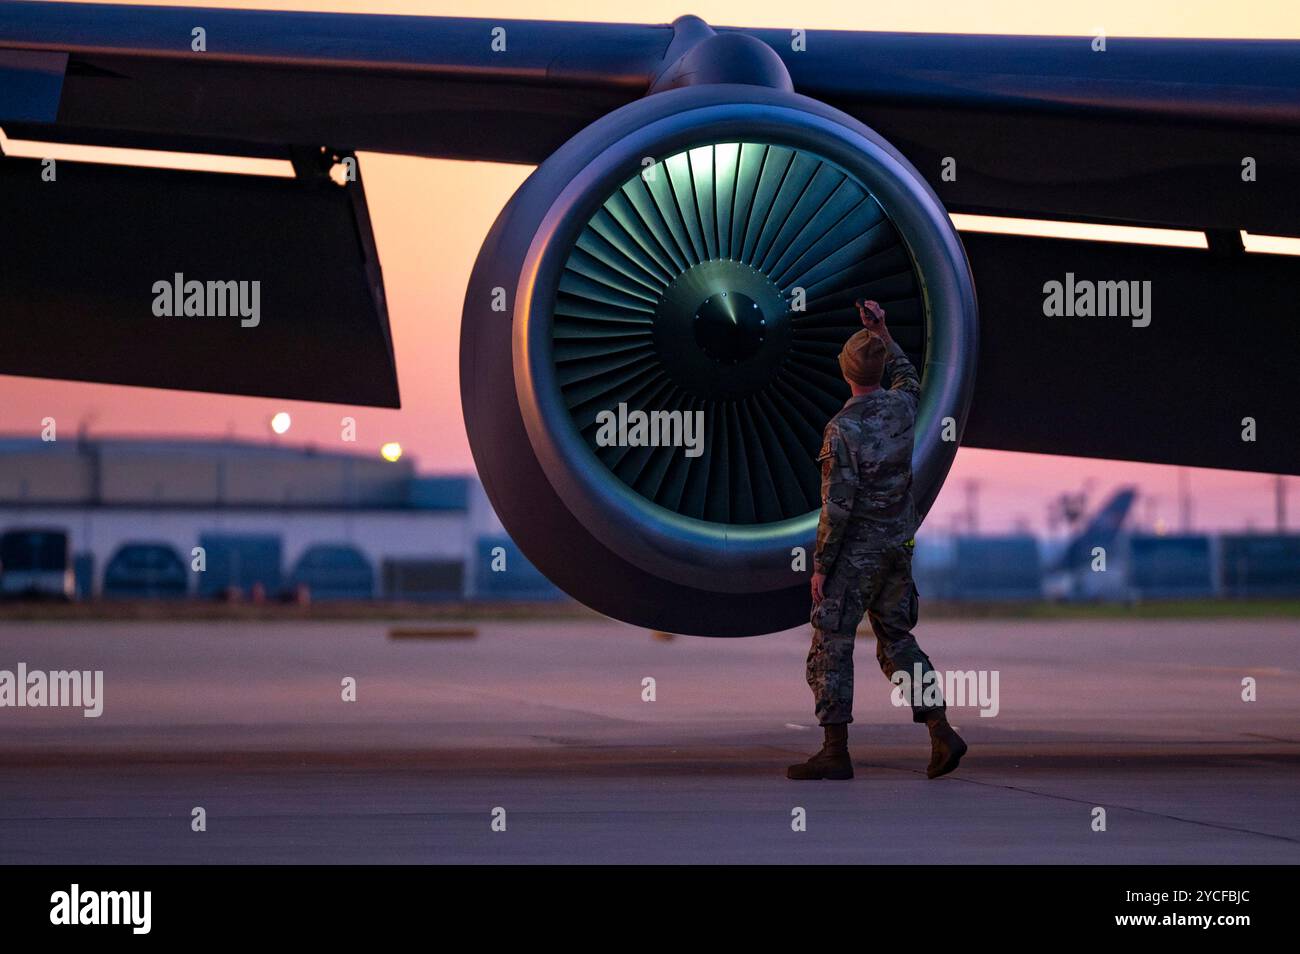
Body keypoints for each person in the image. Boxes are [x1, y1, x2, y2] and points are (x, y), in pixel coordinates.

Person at [787, 299, 967, 781]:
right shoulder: (903, 408)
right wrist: (884, 331)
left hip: (856, 553)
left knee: (831, 642)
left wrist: (821, 565)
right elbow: (909, 375)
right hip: (898, 546)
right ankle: (940, 729)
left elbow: (838, 506)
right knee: (898, 640)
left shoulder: (842, 429)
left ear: (845, 372)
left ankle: (834, 749)